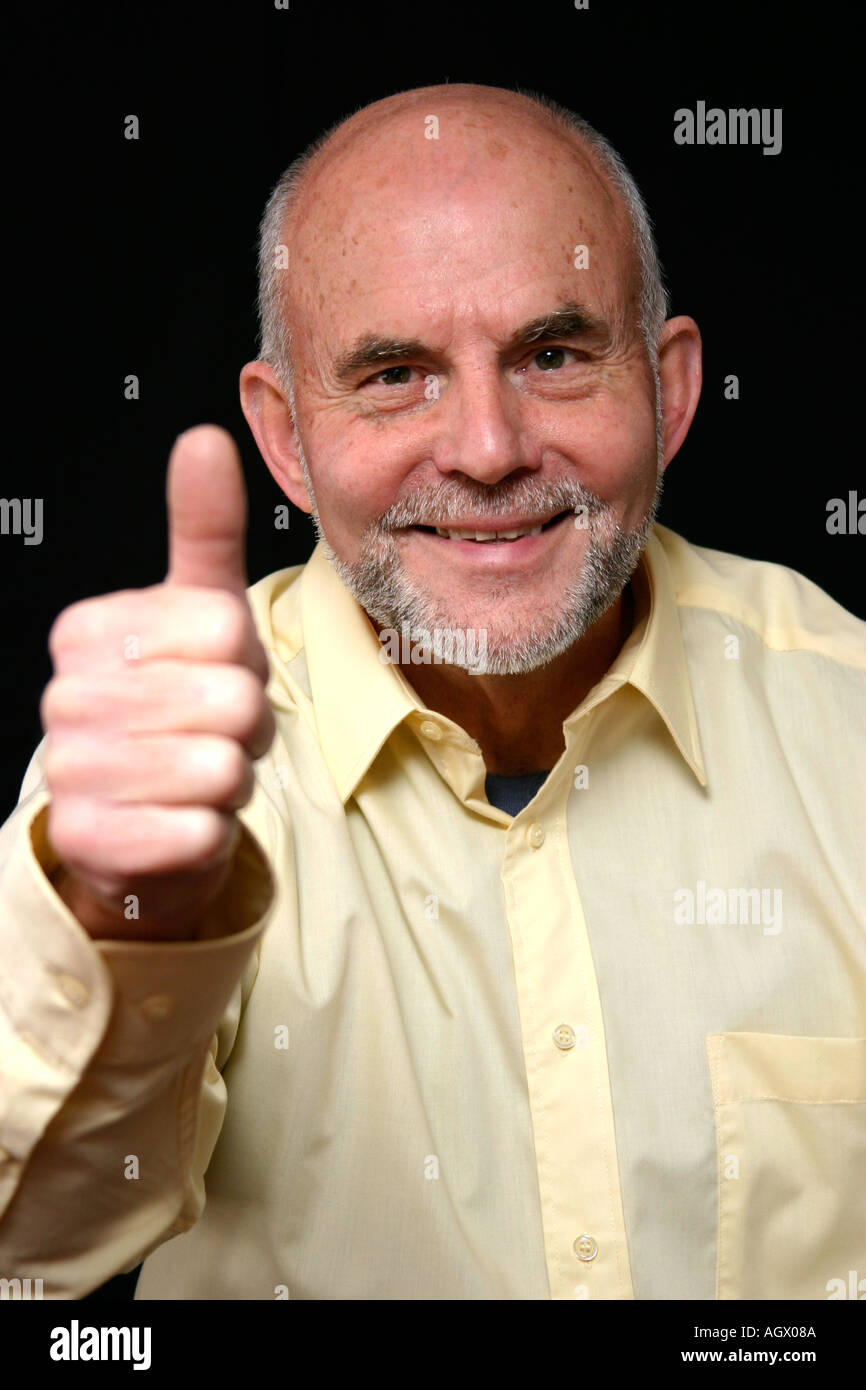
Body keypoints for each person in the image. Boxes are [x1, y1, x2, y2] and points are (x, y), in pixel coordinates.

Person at [0, 83, 863, 1302]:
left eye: (553, 355)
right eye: (395, 374)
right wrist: (127, 924)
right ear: (287, 436)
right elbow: (35, 1241)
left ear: (669, 392)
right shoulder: (170, 755)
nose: (487, 447)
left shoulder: (849, 723)